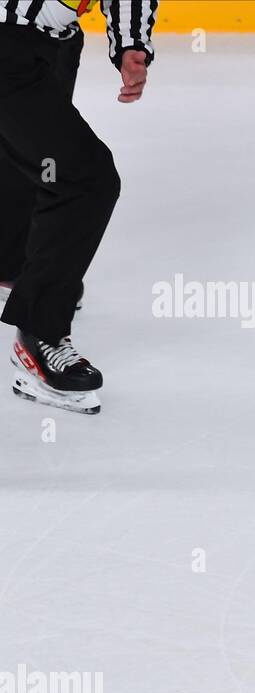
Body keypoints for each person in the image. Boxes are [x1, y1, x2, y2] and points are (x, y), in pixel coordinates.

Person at [0, 0, 157, 414]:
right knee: (84, 180)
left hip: (51, 43)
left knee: (35, 159)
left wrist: (130, 44)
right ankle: (40, 334)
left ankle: (11, 263)